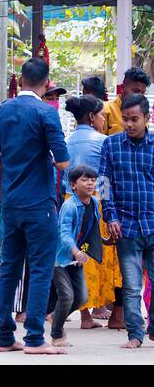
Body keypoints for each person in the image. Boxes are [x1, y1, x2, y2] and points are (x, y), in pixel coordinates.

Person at [0, 57, 70, 354]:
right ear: (47, 84)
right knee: (40, 268)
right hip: (40, 204)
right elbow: (63, 161)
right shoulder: (46, 113)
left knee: (9, 269)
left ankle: (4, 336)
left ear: (20, 80)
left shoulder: (1, 111)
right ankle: (34, 337)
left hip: (11, 203)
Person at [98, 93, 154, 349]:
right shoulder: (111, 145)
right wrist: (110, 216)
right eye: (125, 119)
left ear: (147, 117)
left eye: (134, 119)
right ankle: (135, 334)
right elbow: (104, 183)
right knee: (131, 286)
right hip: (126, 227)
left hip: (152, 224)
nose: (129, 124)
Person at [64, 94, 122, 328]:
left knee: (78, 256)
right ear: (91, 116)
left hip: (70, 201)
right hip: (95, 202)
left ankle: (85, 315)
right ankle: (98, 308)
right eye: (100, 115)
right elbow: (106, 178)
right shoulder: (102, 141)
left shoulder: (67, 142)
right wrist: (109, 208)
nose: (102, 118)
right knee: (99, 258)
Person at [50, 165, 102, 346]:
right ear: (73, 185)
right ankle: (56, 334)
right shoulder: (69, 206)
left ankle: (56, 316)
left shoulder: (94, 202)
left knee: (81, 298)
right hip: (60, 259)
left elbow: (90, 228)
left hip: (76, 258)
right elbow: (64, 233)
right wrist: (75, 251)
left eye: (93, 180)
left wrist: (103, 241)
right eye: (84, 180)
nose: (90, 184)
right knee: (66, 296)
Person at [101, 68, 150, 136]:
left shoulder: (143, 112)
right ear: (123, 88)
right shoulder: (106, 109)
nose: (140, 96)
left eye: (143, 92)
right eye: (136, 91)